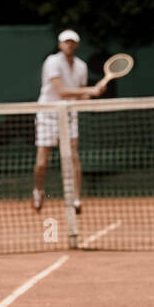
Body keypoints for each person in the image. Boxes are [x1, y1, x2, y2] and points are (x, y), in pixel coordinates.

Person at [32, 29, 104, 214]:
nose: (69, 44)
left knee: (73, 157)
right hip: (48, 114)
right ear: (60, 44)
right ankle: (38, 191)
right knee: (42, 162)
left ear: (77, 45)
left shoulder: (81, 66)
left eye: (72, 42)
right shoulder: (52, 62)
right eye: (66, 42)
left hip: (69, 115)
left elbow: (79, 95)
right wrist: (90, 89)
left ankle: (75, 199)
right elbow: (62, 91)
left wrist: (93, 94)